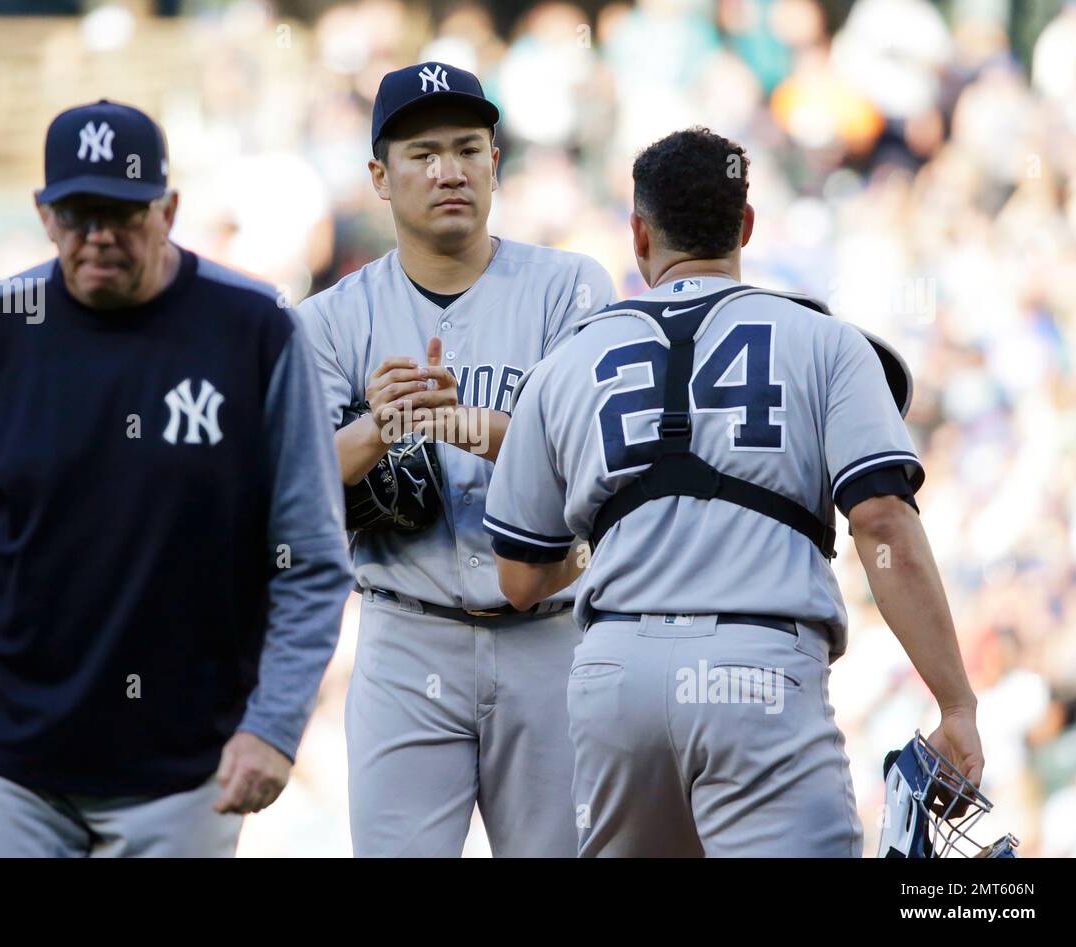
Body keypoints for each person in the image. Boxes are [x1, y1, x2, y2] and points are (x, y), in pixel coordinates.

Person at [0, 99, 353, 857]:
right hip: (10, 764)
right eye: (77, 214)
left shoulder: (256, 330)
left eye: (123, 213)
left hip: (185, 768)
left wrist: (274, 723)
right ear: (44, 214)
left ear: (168, 210)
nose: (99, 235)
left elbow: (309, 554)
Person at [484, 126, 984, 857]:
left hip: (616, 679)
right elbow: (881, 523)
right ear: (744, 224)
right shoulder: (825, 340)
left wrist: (621, 550)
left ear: (638, 233)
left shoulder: (567, 359)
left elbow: (521, 578)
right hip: (755, 673)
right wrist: (956, 703)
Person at [297, 62, 616, 856]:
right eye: (424, 153)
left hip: (551, 627)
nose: (450, 171)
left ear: (496, 163)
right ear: (380, 174)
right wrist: (381, 427)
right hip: (407, 634)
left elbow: (597, 456)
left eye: (470, 149)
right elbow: (292, 483)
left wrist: (468, 424)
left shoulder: (571, 287)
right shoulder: (330, 320)